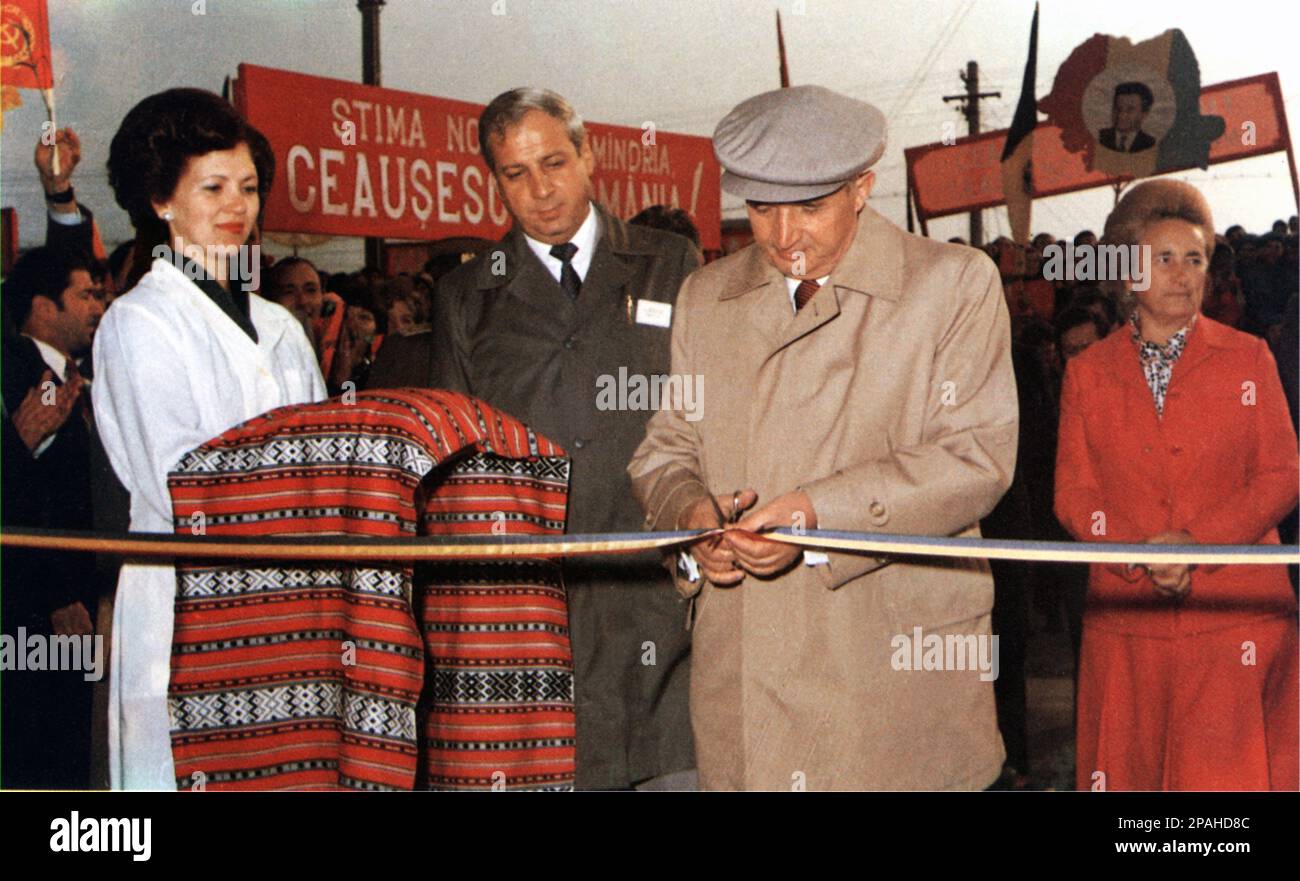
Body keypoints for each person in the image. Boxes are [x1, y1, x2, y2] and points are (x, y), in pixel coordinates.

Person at [628, 85, 1018, 790]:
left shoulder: (953, 285)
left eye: (809, 207)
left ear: (863, 188)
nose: (783, 236)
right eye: (762, 209)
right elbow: (666, 448)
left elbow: (977, 455)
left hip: (889, 677)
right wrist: (690, 514)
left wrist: (815, 513)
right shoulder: (704, 297)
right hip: (747, 673)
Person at [367, 88, 701, 791]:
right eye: (515, 174)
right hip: (534, 614)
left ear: (587, 156)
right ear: (494, 180)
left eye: (554, 162)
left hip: (662, 599)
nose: (541, 190)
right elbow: (452, 469)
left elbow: (718, 416)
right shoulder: (467, 296)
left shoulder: (671, 264)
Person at [93, 88, 326, 790]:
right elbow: (178, 481)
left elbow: (325, 452)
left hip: (292, 608)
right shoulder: (138, 323)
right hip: (186, 610)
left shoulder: (282, 326)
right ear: (162, 201)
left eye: (250, 188)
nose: (238, 206)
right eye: (214, 187)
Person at [1055, 179, 1298, 790]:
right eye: (1164, 259)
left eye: (1196, 259)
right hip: (1127, 620)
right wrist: (1140, 553)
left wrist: (1194, 545)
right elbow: (1074, 496)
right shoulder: (1086, 372)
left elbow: (1282, 475)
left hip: (1237, 620)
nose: (1184, 274)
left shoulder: (1249, 358)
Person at [1, 246, 105, 789]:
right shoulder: (22, 368)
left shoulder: (74, 377)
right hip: (44, 610)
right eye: (85, 295)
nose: (98, 306)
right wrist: (59, 591)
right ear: (43, 308)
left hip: (81, 596)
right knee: (48, 751)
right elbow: (34, 496)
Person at [1098, 82, 1157, 153]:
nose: (1121, 115)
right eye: (1117, 108)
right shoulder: (1099, 137)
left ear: (1144, 113)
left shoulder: (1151, 144)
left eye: (1130, 110)